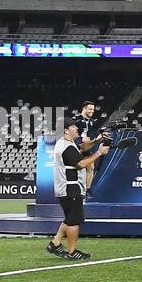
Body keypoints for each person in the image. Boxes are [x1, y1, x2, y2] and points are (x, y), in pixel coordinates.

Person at [47, 120, 114, 261]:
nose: (77, 128)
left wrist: (97, 141)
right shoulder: (67, 147)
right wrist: (99, 153)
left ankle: (55, 243)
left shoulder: (65, 144)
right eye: (73, 126)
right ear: (66, 130)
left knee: (69, 218)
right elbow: (81, 163)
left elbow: (82, 148)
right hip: (70, 188)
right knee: (74, 221)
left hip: (65, 188)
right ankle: (72, 252)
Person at [71, 100, 109, 197]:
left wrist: (101, 136)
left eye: (93, 109)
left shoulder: (93, 122)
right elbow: (69, 133)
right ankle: (74, 188)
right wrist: (80, 139)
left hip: (88, 147)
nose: (92, 111)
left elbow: (96, 135)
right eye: (90, 109)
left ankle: (87, 189)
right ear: (84, 109)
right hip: (76, 147)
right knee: (76, 167)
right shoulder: (75, 120)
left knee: (91, 167)